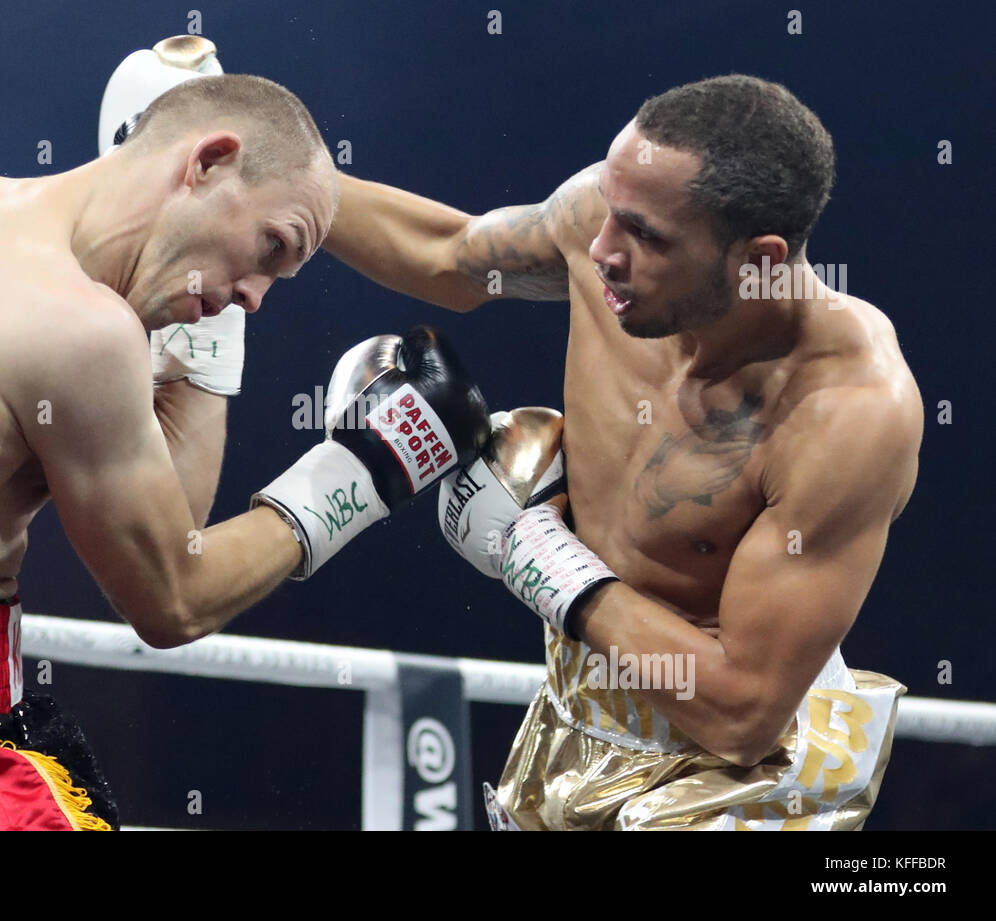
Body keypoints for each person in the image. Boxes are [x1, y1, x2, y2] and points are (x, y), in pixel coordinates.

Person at [0, 37, 489, 831]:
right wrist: (370, 466)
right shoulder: (80, 330)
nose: (256, 296)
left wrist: (209, 339)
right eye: (270, 248)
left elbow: (160, 517)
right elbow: (174, 599)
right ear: (207, 162)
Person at [324, 74, 923, 830]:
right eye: (608, 209)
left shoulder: (846, 414)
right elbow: (450, 252)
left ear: (759, 257)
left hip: (736, 780)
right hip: (576, 718)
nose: (600, 248)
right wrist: (267, 172)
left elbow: (744, 713)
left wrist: (534, 552)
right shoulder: (601, 222)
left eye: (646, 235)